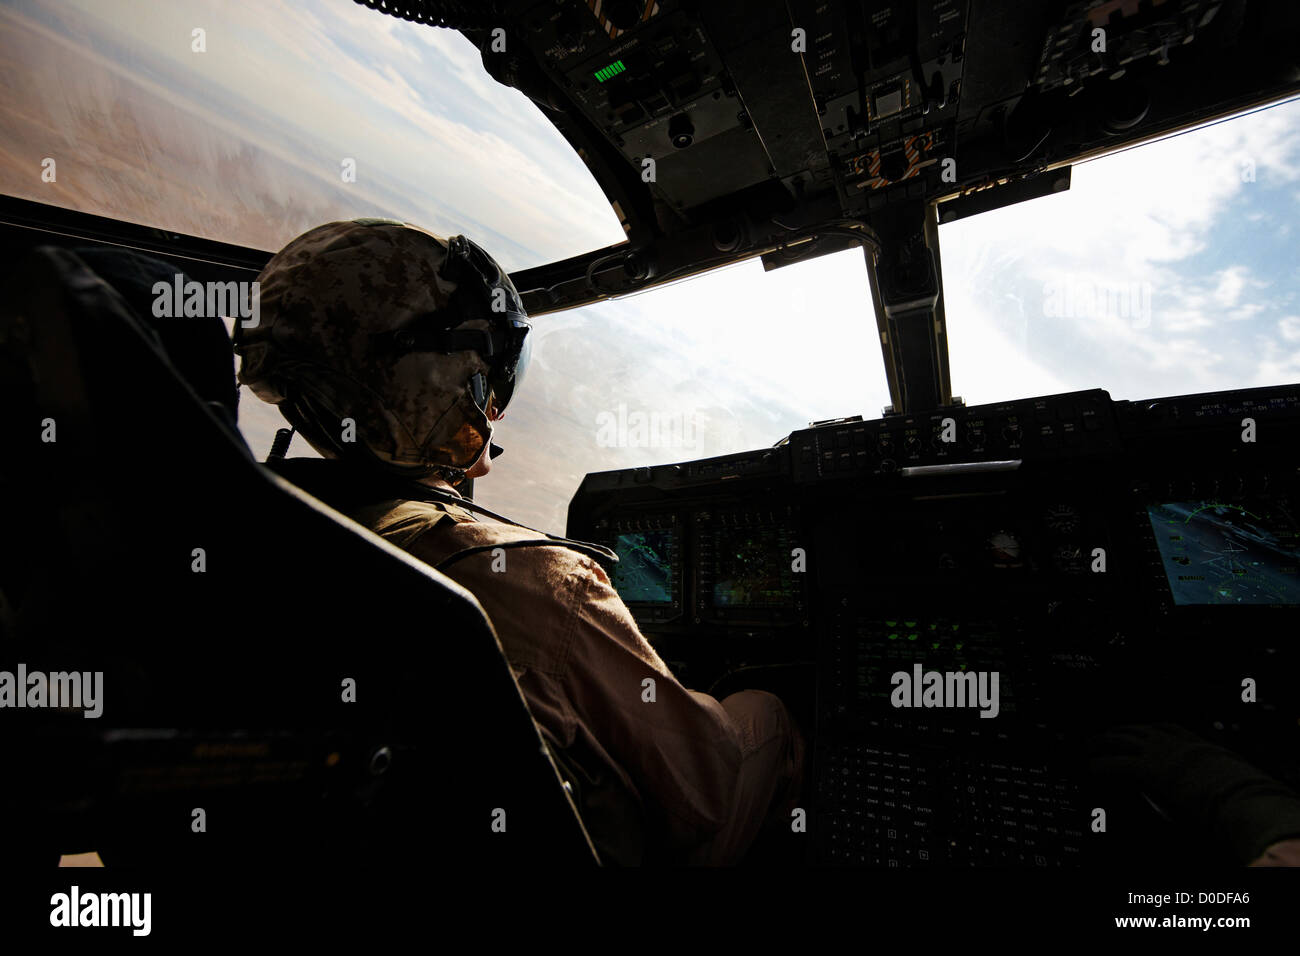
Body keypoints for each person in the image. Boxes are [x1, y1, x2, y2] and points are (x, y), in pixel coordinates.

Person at [233, 218, 804, 865]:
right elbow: (709, 795)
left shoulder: (248, 540)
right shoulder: (529, 583)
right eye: (484, 381)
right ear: (434, 384)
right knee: (765, 718)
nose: (492, 406)